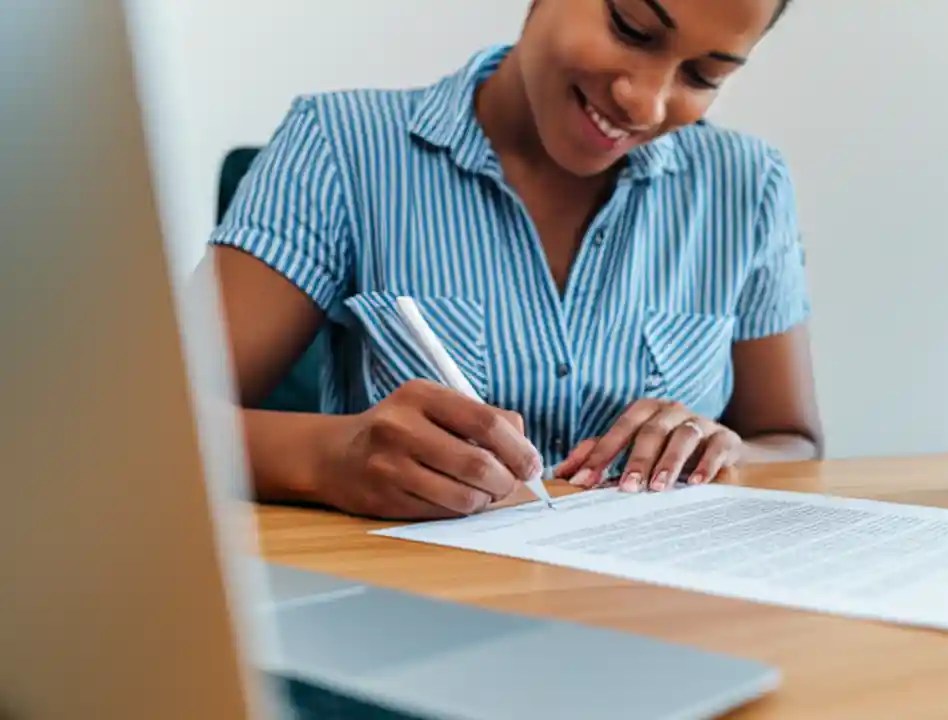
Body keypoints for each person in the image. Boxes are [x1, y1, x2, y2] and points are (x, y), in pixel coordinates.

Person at [208, 0, 822, 521]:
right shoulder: (340, 148)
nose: (646, 103)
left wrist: (726, 452)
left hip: (665, 620)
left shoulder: (748, 186)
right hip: (420, 617)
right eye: (631, 29)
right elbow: (151, 429)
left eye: (703, 76)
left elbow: (791, 442)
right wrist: (330, 456)